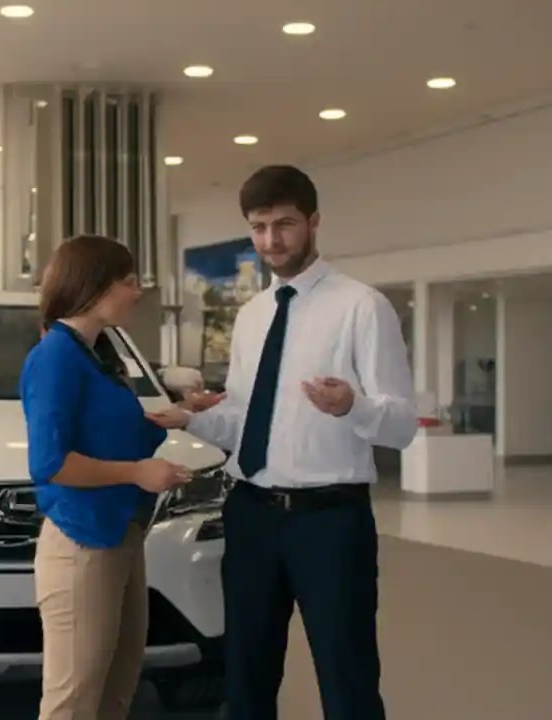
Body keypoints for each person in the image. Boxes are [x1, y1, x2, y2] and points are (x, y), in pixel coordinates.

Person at [149, 165, 417, 720]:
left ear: (314, 222)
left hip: (330, 521)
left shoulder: (361, 308)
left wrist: (353, 406)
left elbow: (401, 424)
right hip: (250, 515)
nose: (272, 240)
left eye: (285, 224)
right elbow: (244, 423)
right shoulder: (251, 315)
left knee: (347, 677)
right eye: (259, 227)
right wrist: (189, 419)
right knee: (245, 675)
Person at [20, 234, 192, 720]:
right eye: (129, 281)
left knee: (116, 690)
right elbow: (52, 464)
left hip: (121, 535)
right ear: (95, 285)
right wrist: (138, 472)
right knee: (73, 701)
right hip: (82, 542)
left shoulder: (100, 354)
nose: (138, 292)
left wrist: (178, 414)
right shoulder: (55, 356)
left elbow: (113, 436)